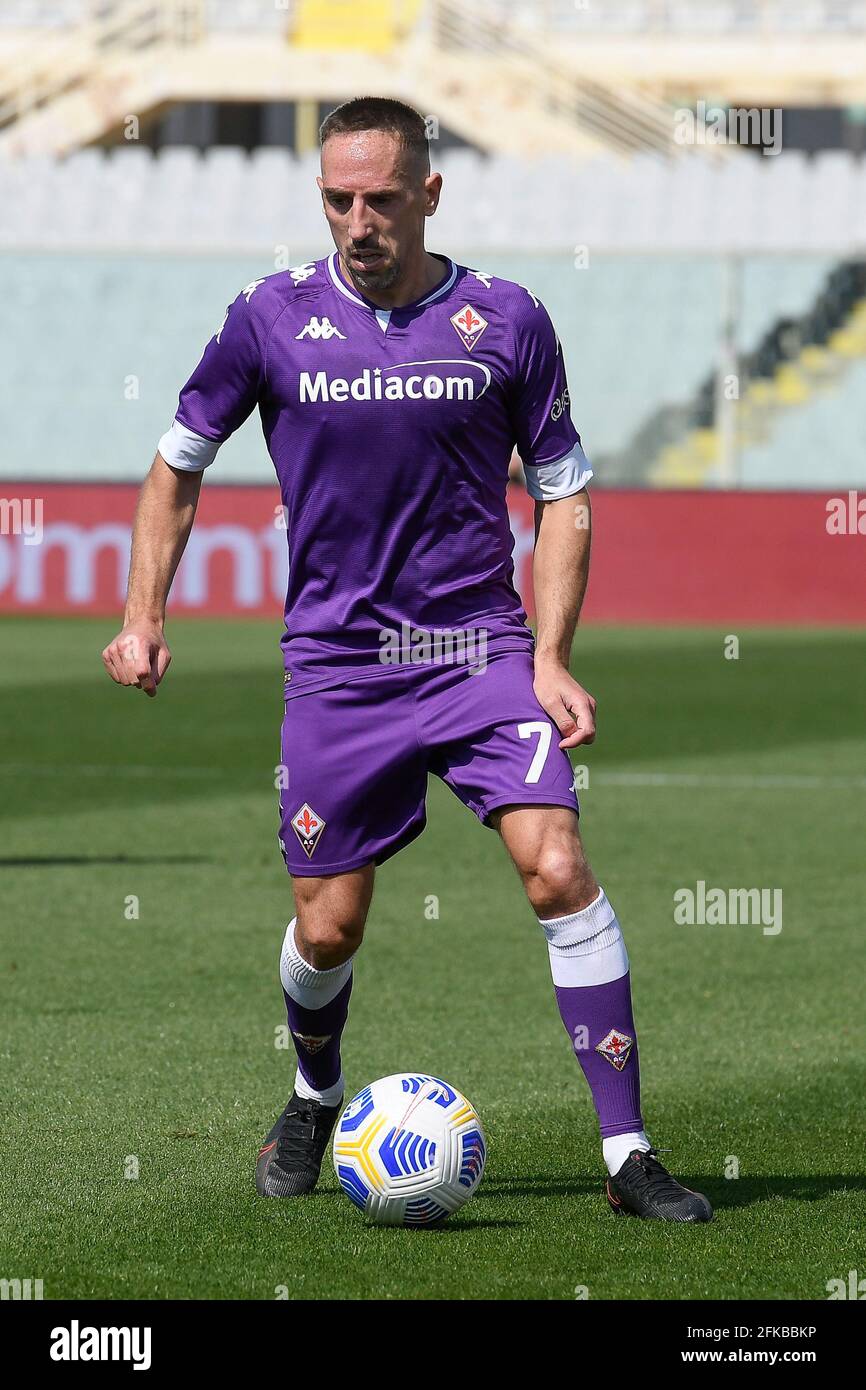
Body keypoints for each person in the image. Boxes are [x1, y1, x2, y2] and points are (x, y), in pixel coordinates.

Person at [102, 97, 712, 1222]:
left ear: (429, 193)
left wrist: (552, 656)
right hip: (337, 667)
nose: (356, 221)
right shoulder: (265, 319)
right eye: (336, 199)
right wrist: (144, 613)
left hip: (477, 652)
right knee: (328, 925)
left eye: (380, 198)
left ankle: (627, 1153)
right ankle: (313, 1090)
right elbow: (175, 463)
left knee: (557, 867)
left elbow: (565, 488)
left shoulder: (507, 318)